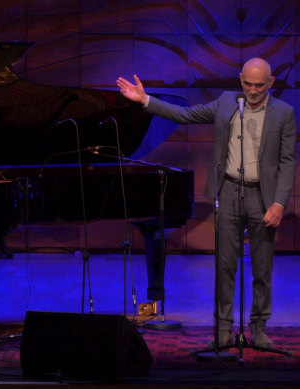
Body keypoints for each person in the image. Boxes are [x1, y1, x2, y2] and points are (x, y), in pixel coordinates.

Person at [116, 58, 296, 349]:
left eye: (259, 85)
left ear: (271, 83)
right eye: (248, 84)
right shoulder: (226, 103)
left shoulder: (283, 113)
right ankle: (223, 331)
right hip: (228, 193)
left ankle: (259, 330)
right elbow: (186, 115)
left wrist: (278, 203)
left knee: (262, 269)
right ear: (240, 80)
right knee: (225, 266)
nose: (252, 90)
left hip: (263, 198)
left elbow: (288, 162)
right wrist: (145, 100)